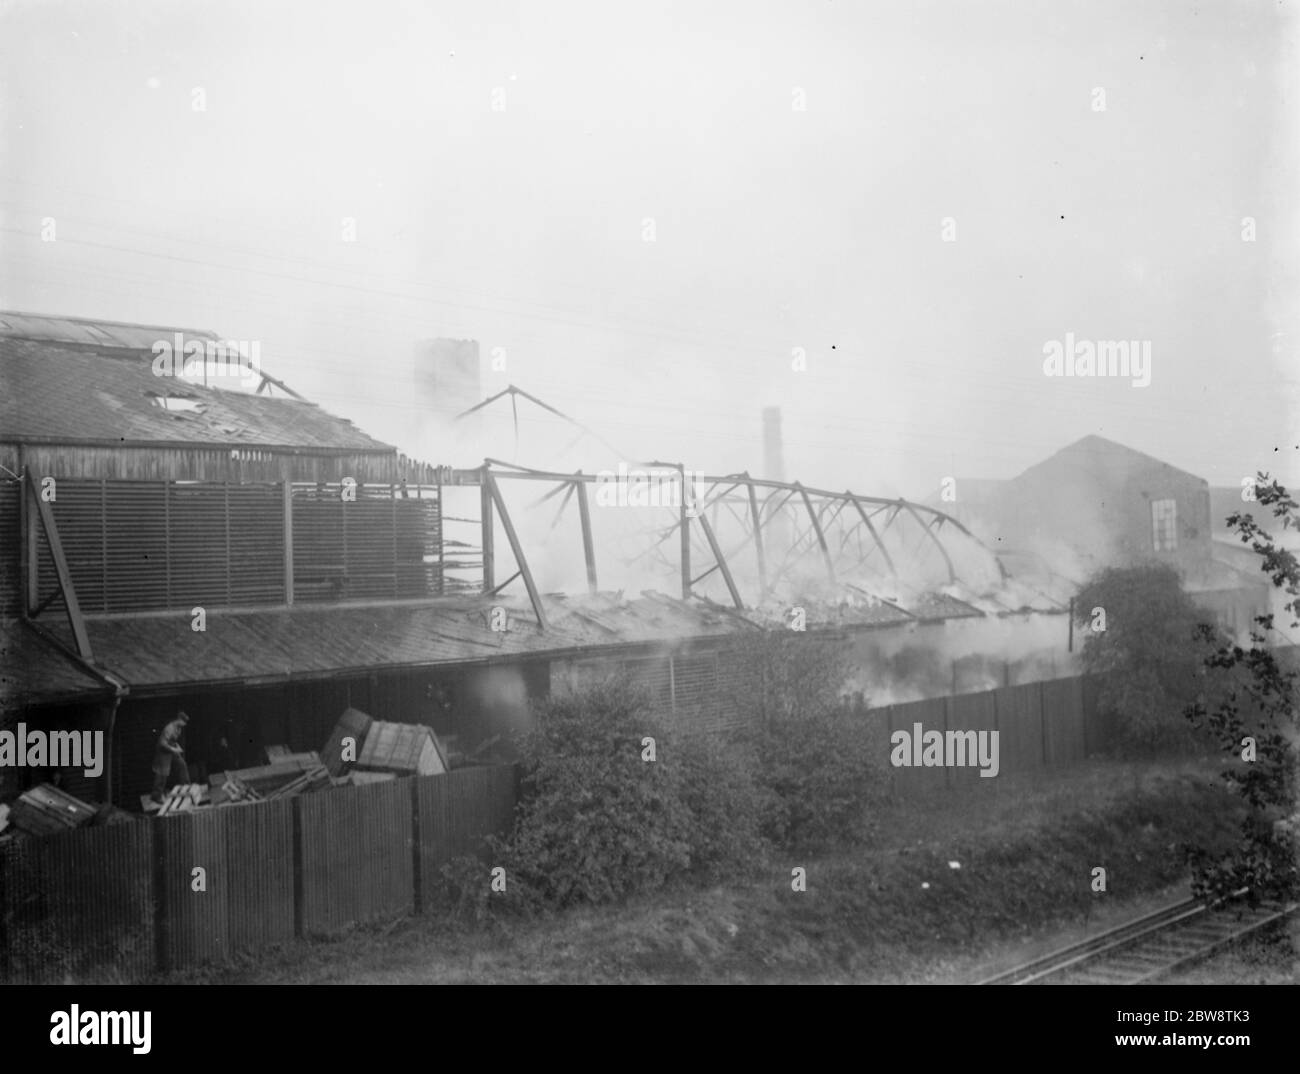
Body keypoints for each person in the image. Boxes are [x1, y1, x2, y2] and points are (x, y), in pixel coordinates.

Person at [151, 711, 190, 803]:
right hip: (163, 751)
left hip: (172, 749)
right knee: (163, 773)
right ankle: (156, 795)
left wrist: (177, 747)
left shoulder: (179, 728)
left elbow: (173, 740)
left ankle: (187, 787)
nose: (184, 724)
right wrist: (173, 750)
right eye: (183, 722)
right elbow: (162, 743)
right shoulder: (169, 728)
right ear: (179, 720)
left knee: (182, 764)